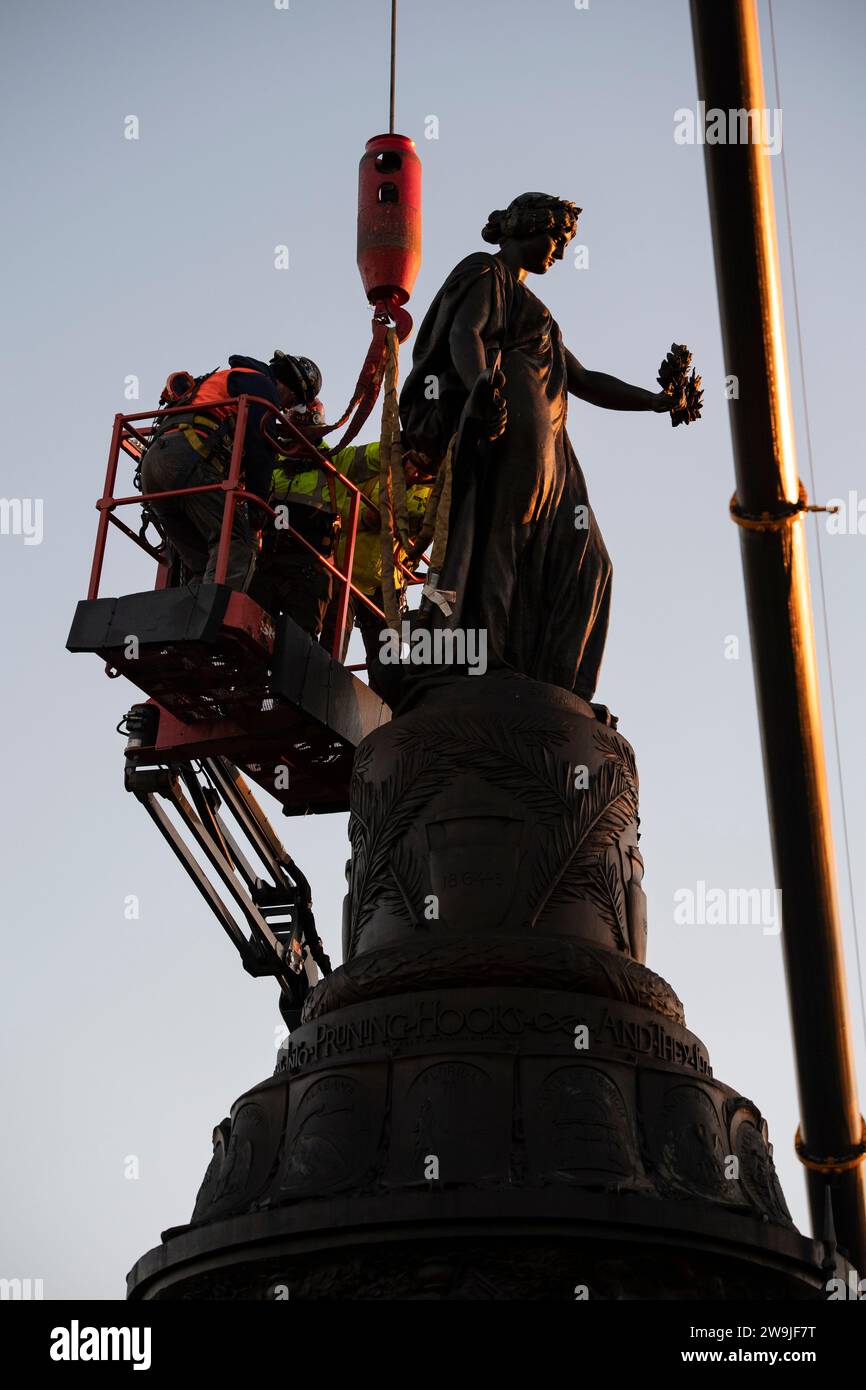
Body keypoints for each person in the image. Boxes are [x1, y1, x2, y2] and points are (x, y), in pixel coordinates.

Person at [399, 192, 676, 702]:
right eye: (556, 237)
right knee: (503, 541)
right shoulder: (486, 272)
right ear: (525, 227)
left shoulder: (540, 314)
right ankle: (491, 660)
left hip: (553, 452)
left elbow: (587, 380)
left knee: (591, 561)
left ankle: (560, 688)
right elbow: (466, 331)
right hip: (509, 432)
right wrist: (483, 385)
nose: (561, 252)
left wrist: (655, 402)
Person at [139, 352, 321, 591]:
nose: (286, 408)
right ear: (288, 384)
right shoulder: (262, 386)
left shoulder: (233, 378)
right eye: (294, 401)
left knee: (203, 560)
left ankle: (190, 619)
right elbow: (260, 447)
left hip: (155, 468)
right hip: (189, 459)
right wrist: (257, 506)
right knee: (236, 544)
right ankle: (214, 621)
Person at [319, 444, 435, 664]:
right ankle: (324, 684)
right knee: (332, 647)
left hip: (386, 587)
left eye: (424, 472)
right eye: (415, 465)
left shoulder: (433, 498)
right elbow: (338, 505)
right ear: (407, 456)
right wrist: (366, 517)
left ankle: (383, 695)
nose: (415, 474)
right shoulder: (377, 473)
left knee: (387, 661)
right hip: (347, 574)